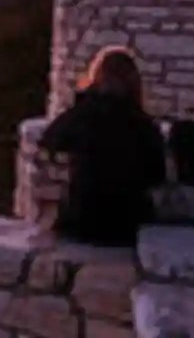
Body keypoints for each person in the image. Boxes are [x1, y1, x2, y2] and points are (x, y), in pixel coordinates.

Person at [41, 48, 166, 245]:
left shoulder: (84, 115)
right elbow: (158, 174)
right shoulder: (142, 124)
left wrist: (83, 99)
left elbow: (50, 140)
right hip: (125, 227)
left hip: (80, 221)